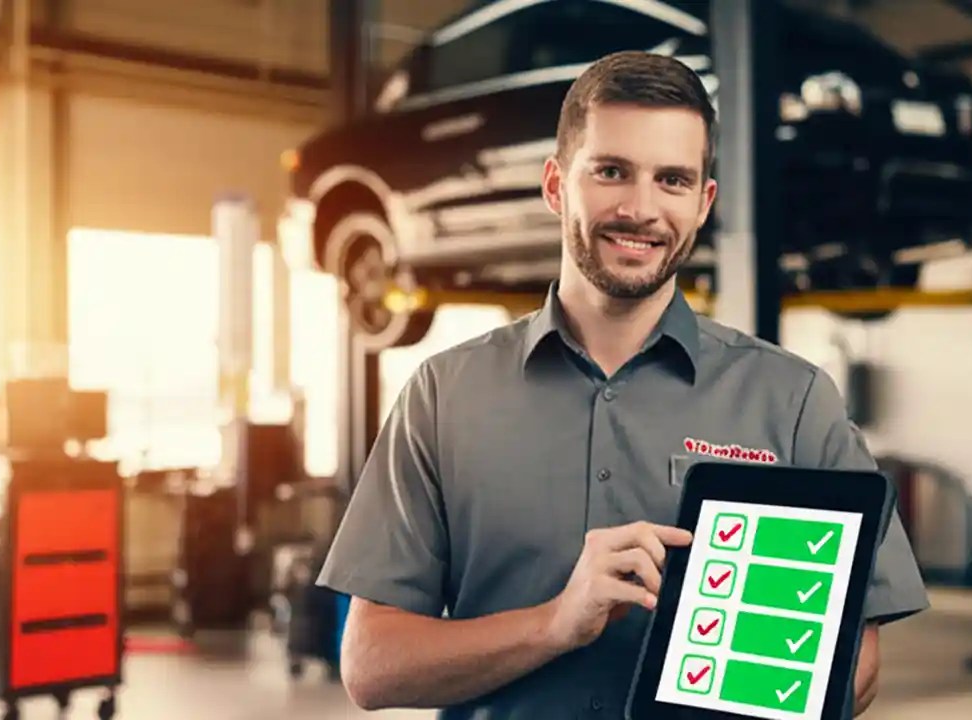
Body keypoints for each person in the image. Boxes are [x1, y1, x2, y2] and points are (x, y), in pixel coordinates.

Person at [317, 50, 929, 719]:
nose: (641, 209)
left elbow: (858, 660)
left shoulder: (792, 402)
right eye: (611, 172)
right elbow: (372, 665)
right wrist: (555, 624)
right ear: (556, 185)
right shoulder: (443, 397)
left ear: (703, 203)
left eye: (672, 180)